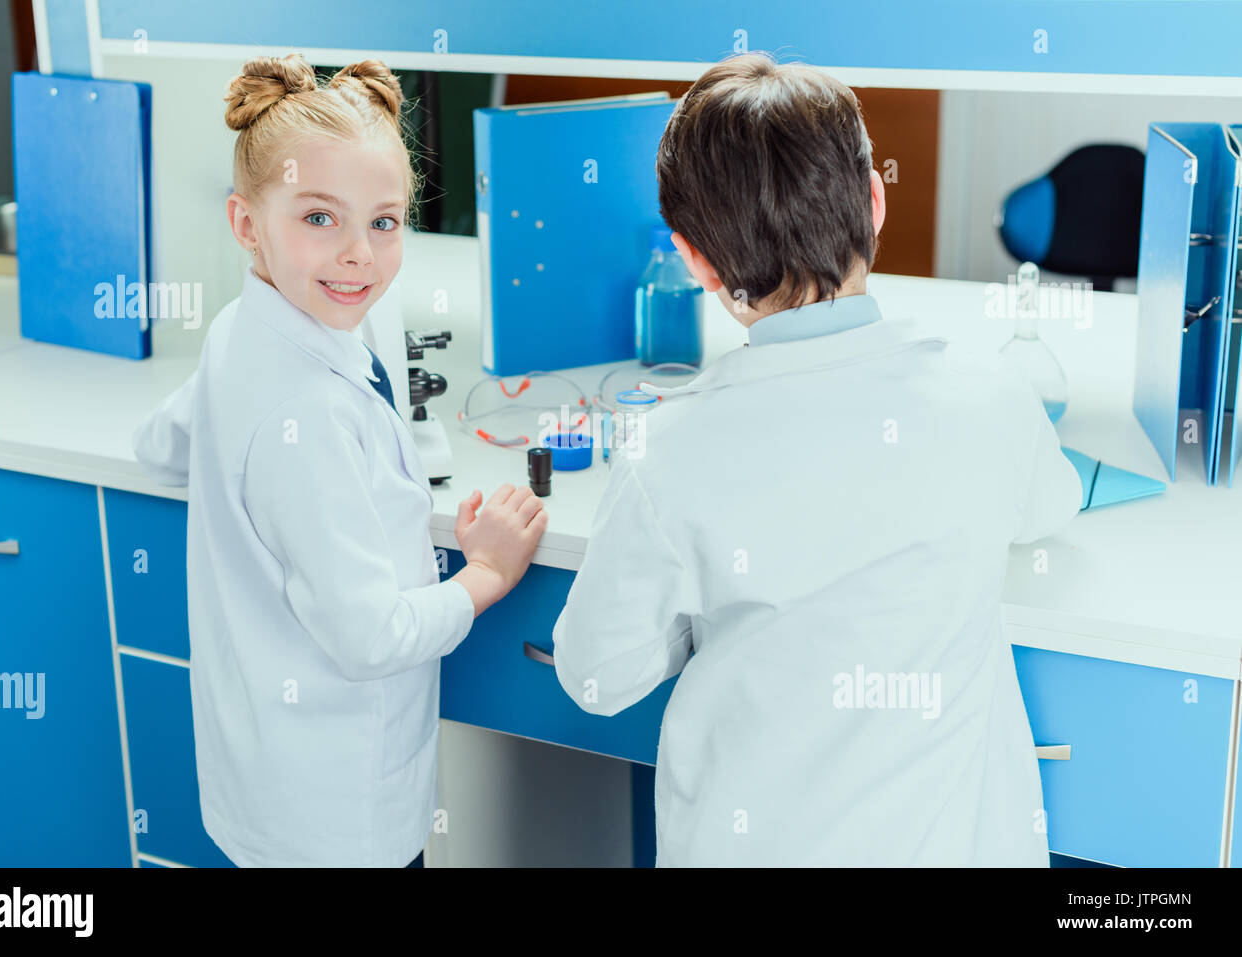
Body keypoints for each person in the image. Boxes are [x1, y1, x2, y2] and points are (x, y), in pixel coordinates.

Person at [552, 53, 1081, 866]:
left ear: (692, 257)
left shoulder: (669, 454)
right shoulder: (989, 391)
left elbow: (596, 678)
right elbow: (1051, 508)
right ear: (875, 202)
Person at [133, 53, 546, 867]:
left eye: (384, 221)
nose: (359, 253)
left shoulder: (237, 334)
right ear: (246, 223)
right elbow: (370, 638)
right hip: (337, 822)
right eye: (319, 218)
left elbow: (157, 448)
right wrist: (486, 575)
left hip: (267, 787)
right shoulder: (307, 412)